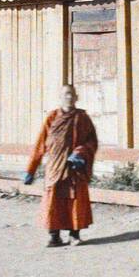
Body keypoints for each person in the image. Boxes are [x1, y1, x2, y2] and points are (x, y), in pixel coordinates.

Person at [23, 83, 98, 247]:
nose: (69, 97)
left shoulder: (82, 118)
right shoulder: (52, 118)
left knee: (75, 198)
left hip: (74, 168)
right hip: (55, 166)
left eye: (72, 94)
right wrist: (30, 169)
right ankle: (54, 236)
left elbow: (92, 141)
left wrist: (80, 153)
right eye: (66, 94)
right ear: (60, 97)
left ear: (77, 97)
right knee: (53, 200)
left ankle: (74, 234)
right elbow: (40, 144)